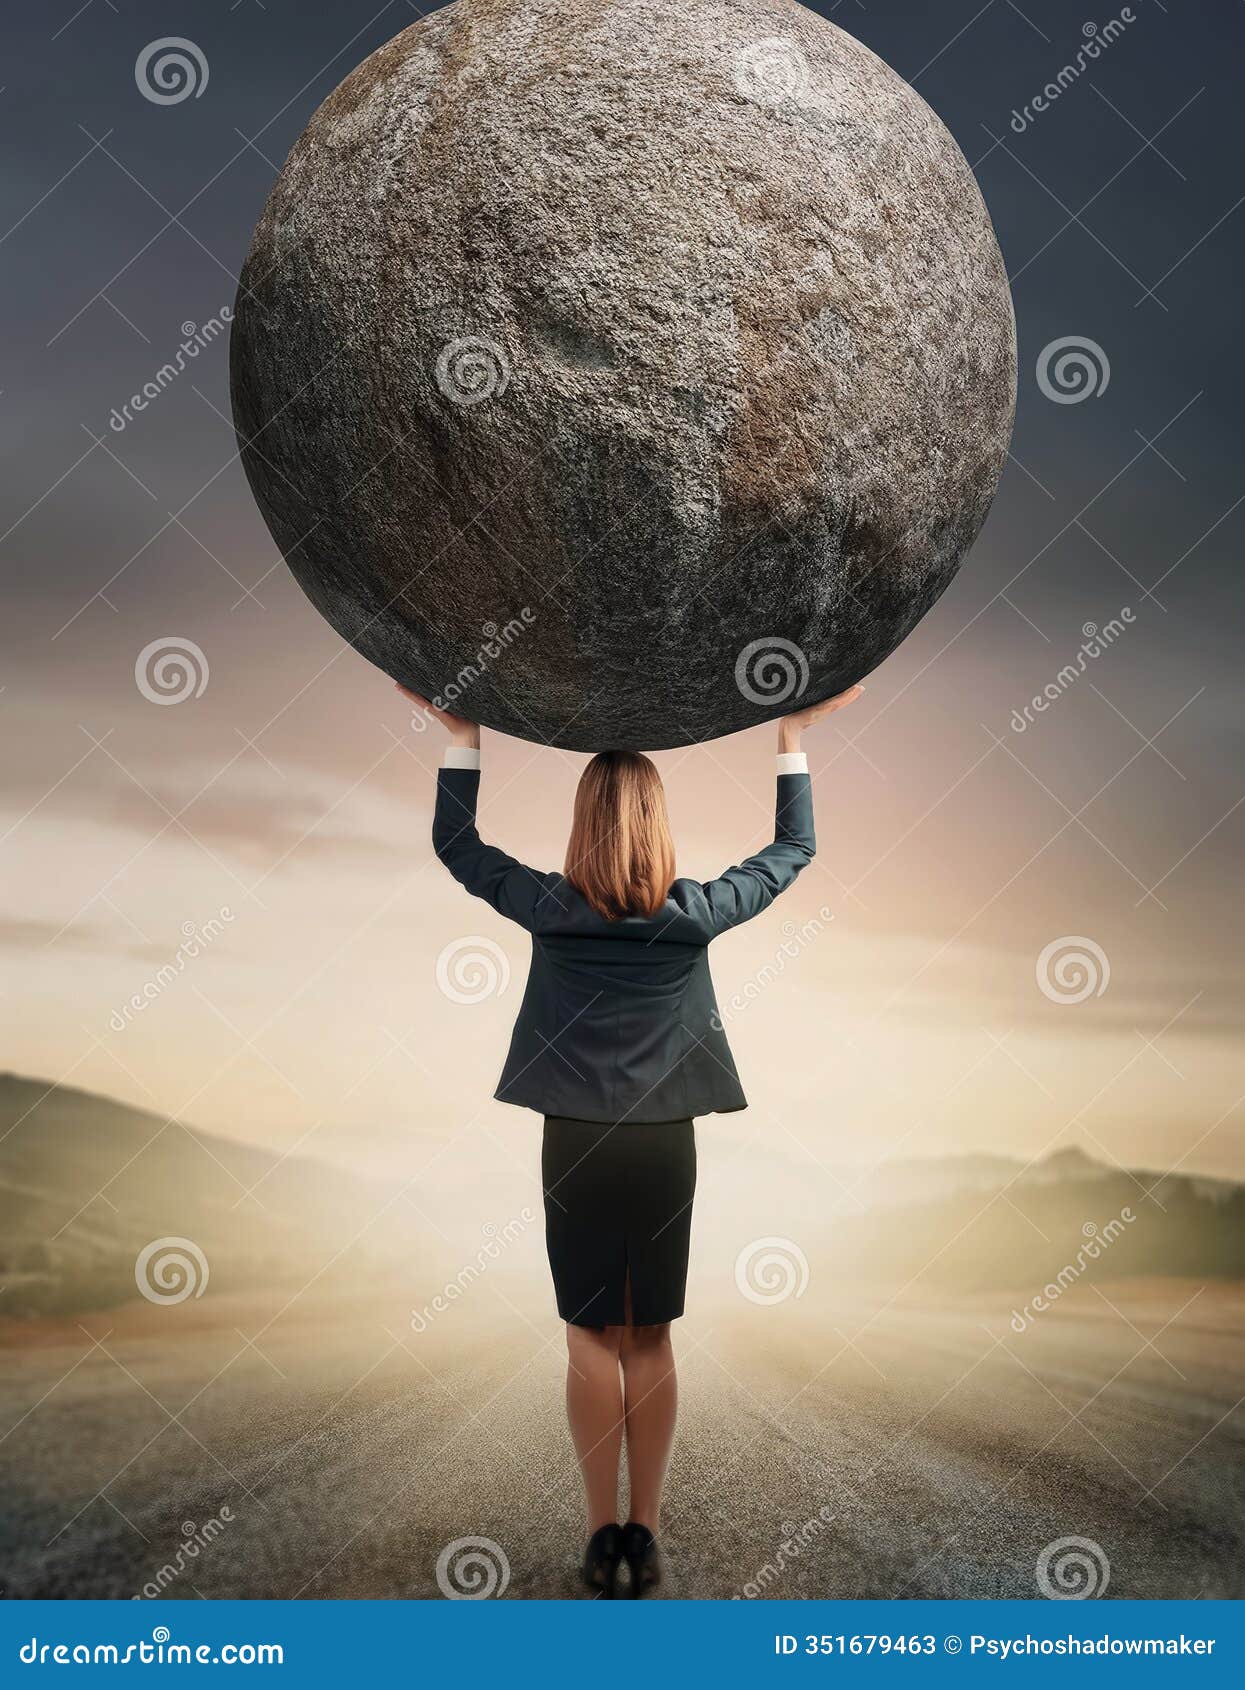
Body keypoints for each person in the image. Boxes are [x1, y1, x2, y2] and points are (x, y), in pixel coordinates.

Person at [404, 682, 864, 1596]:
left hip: (575, 1141)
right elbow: (793, 849)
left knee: (588, 1334)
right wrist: (790, 734)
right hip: (662, 1147)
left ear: (582, 823)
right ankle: (642, 1537)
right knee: (647, 1335)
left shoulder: (549, 906)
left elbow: (457, 845)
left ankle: (597, 1536)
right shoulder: (692, 915)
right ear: (658, 825)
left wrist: (464, 735)